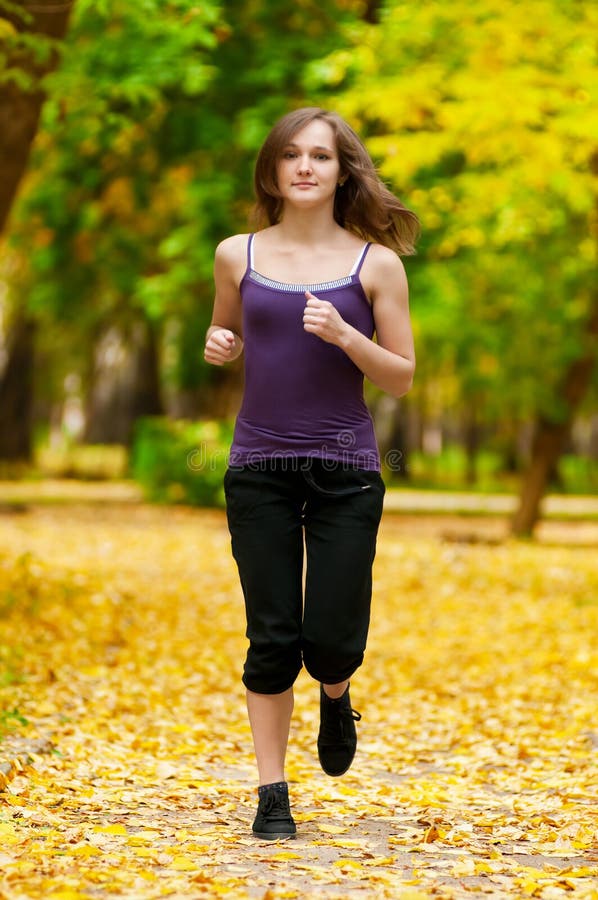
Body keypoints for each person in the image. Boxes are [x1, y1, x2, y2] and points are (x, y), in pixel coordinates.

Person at [204, 107, 418, 840]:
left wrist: (345, 333)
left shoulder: (375, 264)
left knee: (329, 637)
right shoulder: (237, 253)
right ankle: (272, 792)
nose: (304, 166)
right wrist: (221, 344)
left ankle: (335, 689)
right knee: (270, 638)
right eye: (291, 154)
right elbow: (230, 328)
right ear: (272, 169)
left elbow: (400, 379)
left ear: (340, 171)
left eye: (320, 156)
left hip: (347, 469)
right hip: (259, 464)